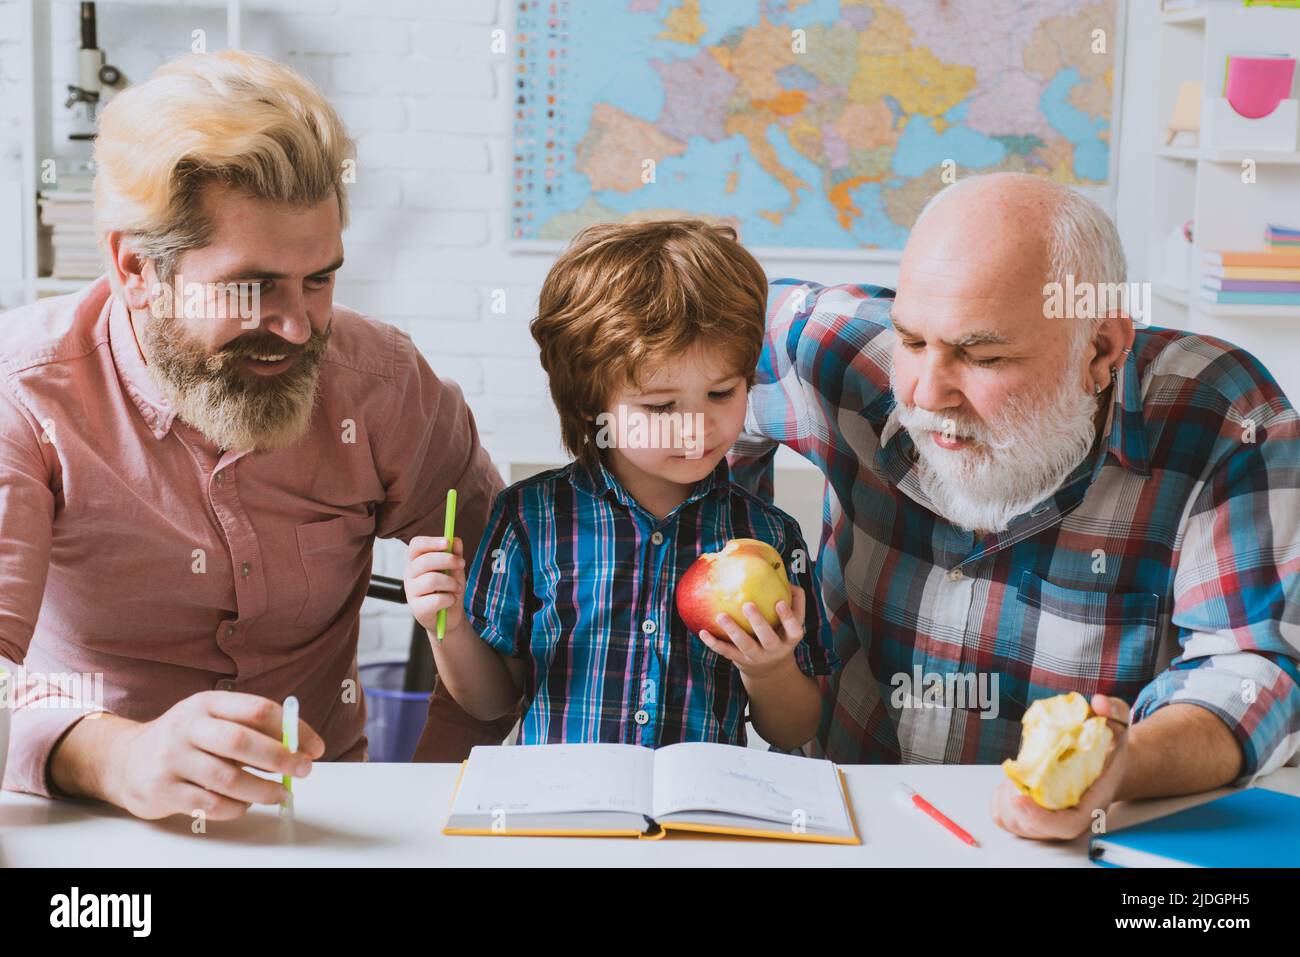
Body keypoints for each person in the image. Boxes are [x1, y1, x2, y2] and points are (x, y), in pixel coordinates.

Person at [0, 50, 504, 819]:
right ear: (137, 269)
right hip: (85, 822)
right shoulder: (26, 392)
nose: (298, 327)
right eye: (253, 286)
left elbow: (526, 606)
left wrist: (434, 794)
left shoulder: (385, 384)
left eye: (320, 278)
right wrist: (115, 755)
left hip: (329, 822)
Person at [733, 172, 1300, 839]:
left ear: (1100, 349)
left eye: (983, 355)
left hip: (1055, 844)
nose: (926, 391)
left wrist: (1123, 765)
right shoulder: (831, 346)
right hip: (833, 822)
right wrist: (735, 537)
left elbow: (1253, 665)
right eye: (913, 340)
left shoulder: (1224, 417)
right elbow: (671, 364)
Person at [404, 221, 838, 750]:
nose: (696, 427)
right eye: (660, 406)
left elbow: (793, 730)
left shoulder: (769, 535)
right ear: (591, 399)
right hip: (562, 822)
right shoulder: (530, 517)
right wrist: (443, 626)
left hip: (701, 823)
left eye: (722, 393)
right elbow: (491, 702)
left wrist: (769, 669)